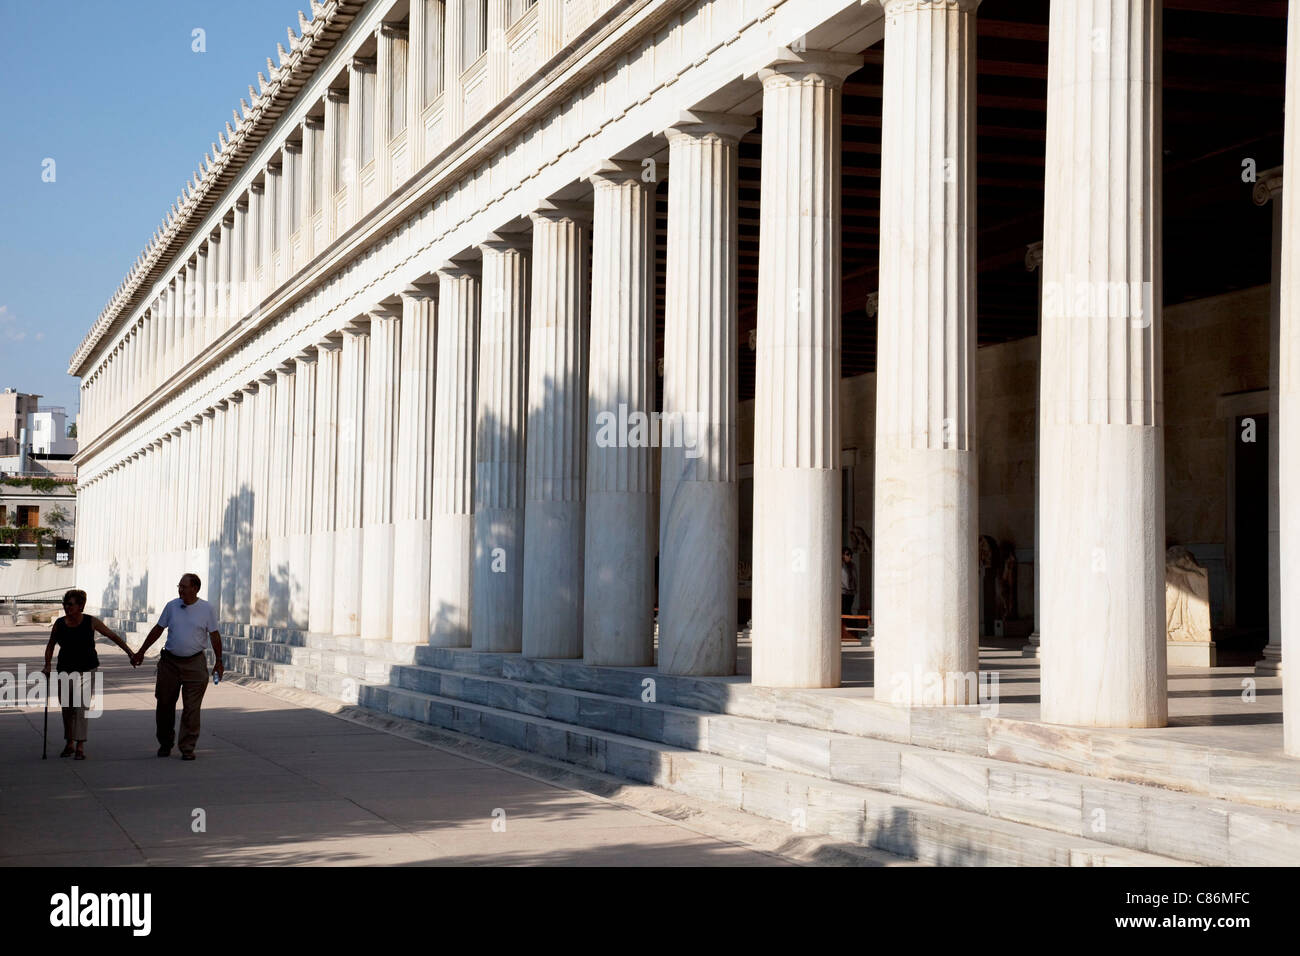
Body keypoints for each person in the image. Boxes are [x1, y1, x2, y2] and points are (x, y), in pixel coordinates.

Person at [131, 573, 223, 760]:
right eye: (179, 586)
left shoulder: (206, 609)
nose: (180, 590)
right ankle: (165, 743)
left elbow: (214, 635)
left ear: (195, 588)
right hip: (170, 663)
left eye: (184, 586)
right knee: (164, 705)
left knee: (191, 709)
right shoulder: (172, 606)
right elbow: (158, 629)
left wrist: (219, 662)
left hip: (195, 663)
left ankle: (187, 747)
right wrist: (141, 651)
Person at [40, 589, 136, 760]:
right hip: (65, 670)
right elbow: (51, 645)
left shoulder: (91, 622)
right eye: (65, 604)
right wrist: (47, 665)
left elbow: (113, 636)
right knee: (68, 708)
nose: (67, 607)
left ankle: (80, 745)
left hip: (87, 669)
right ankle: (69, 741)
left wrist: (130, 653)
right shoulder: (59, 624)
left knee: (81, 707)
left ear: (80, 606)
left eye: (70, 604)